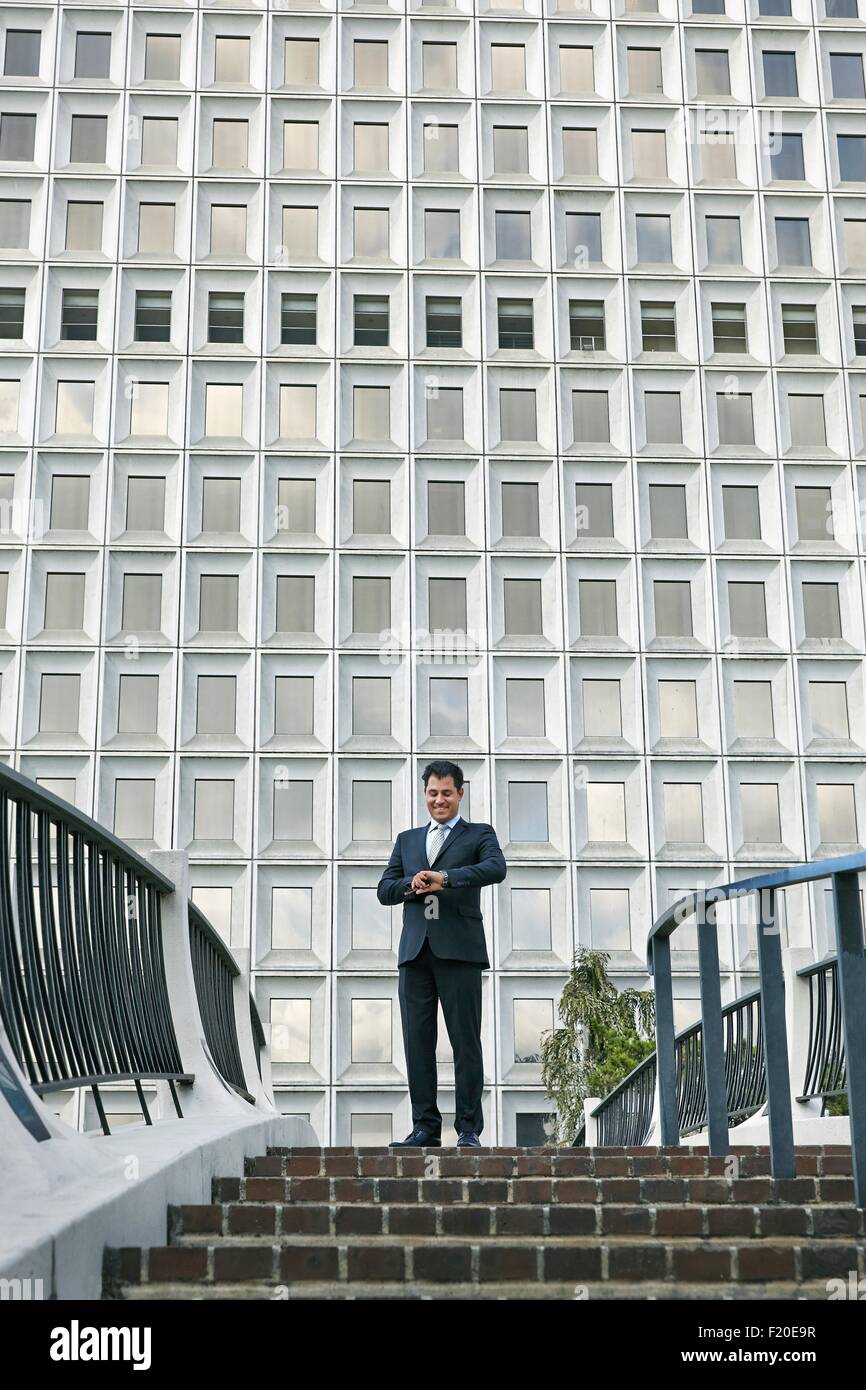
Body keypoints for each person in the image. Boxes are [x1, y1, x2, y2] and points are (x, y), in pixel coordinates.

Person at [376, 760, 507, 1147]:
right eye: (432, 793)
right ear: (424, 794)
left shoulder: (479, 834)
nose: (439, 800)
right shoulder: (408, 840)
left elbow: (495, 868)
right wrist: (410, 885)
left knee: (465, 1042)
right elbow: (384, 888)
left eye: (447, 793)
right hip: (415, 954)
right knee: (418, 1044)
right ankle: (425, 1129)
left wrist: (446, 879)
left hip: (460, 953)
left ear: (460, 794)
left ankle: (468, 1130)